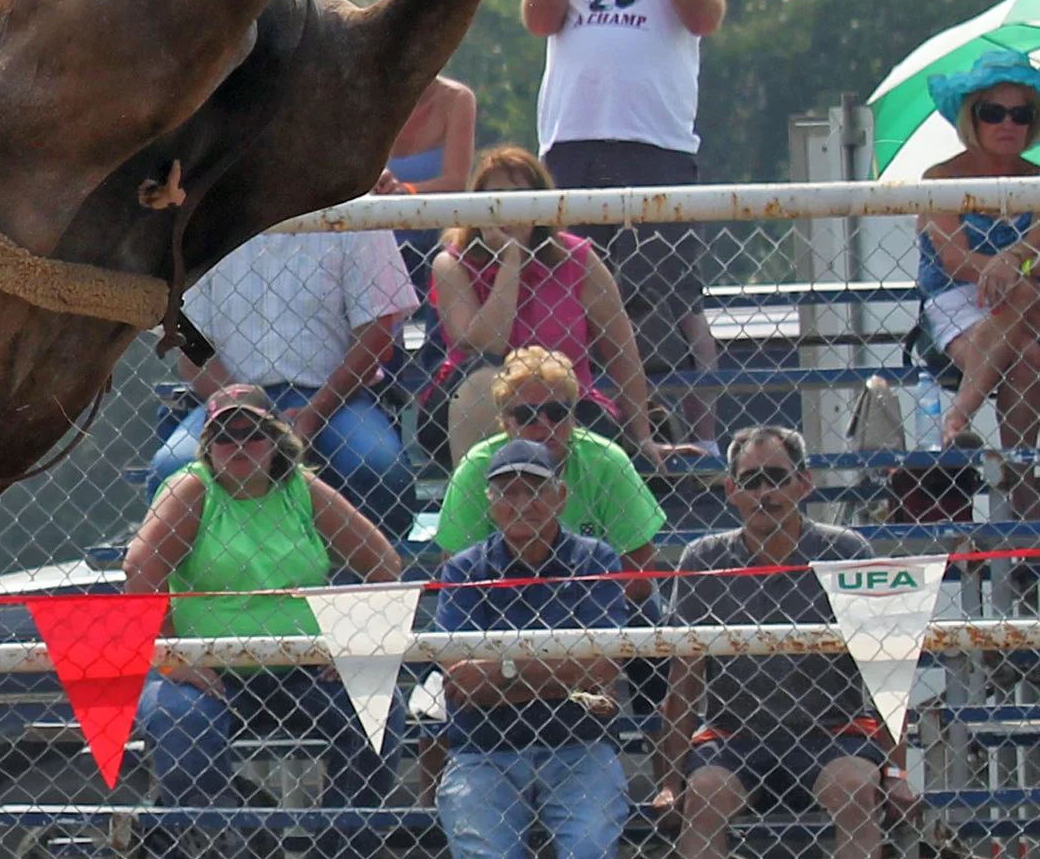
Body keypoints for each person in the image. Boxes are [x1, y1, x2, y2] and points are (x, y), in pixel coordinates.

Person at [656, 427, 914, 859]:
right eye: (752, 481)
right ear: (730, 491)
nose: (766, 494)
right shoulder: (703, 561)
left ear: (806, 483)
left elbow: (886, 671)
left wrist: (897, 770)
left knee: (857, 786)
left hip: (831, 728)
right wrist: (668, 778)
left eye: (778, 479)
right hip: (735, 732)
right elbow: (684, 683)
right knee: (705, 797)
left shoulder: (846, 552)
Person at [125, 385, 407, 859]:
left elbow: (383, 562)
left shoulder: (301, 488)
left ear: (276, 439)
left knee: (380, 706)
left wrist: (358, 642)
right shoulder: (193, 489)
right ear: (207, 447)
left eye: (252, 433)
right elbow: (139, 568)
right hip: (209, 672)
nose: (238, 446)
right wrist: (174, 658)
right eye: (223, 437)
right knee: (182, 723)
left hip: (299, 669)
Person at [428, 438, 635, 859]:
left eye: (535, 489)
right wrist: (555, 669)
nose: (521, 503)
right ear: (490, 504)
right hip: (484, 754)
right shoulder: (465, 571)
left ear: (560, 497)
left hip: (579, 748)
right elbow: (461, 685)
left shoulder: (595, 560)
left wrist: (506, 670)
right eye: (508, 492)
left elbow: (602, 669)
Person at [521, 0, 728, 444]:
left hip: (656, 142)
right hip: (572, 143)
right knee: (567, 291)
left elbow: (705, 15)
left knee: (673, 295)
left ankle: (700, 443)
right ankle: (576, 433)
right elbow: (539, 19)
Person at [155, 226, 419, 527]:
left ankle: (379, 570)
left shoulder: (355, 213)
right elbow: (190, 347)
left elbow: (377, 336)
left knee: (377, 465)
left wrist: (315, 412)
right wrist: (247, 413)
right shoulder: (208, 221)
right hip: (227, 399)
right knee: (171, 468)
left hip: (337, 397)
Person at [915, 51, 1040, 517]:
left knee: (1027, 295)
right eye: (994, 113)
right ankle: (1023, 488)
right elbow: (953, 260)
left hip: (1024, 298)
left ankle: (958, 419)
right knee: (1026, 354)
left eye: (1021, 115)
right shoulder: (941, 177)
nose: (1008, 124)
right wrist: (1014, 265)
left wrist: (1013, 264)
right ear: (973, 118)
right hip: (957, 299)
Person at [427, 145, 661, 466]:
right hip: (476, 405)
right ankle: (480, 507)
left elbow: (622, 351)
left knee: (564, 418)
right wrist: (511, 258)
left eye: (520, 197)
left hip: (564, 403)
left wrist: (643, 435)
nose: (507, 209)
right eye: (496, 198)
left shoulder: (577, 258)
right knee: (483, 380)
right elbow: (486, 344)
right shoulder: (452, 263)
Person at [433, 347, 664, 602]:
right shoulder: (477, 467)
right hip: (503, 609)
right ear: (505, 421)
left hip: (599, 608)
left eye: (556, 413)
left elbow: (638, 573)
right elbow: (458, 576)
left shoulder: (608, 461)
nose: (544, 424)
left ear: (573, 414)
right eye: (527, 415)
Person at [376, 72, 477, 296]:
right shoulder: (368, 98)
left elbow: (456, 182)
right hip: (377, 244)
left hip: (437, 245)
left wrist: (406, 191)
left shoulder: (458, 99)